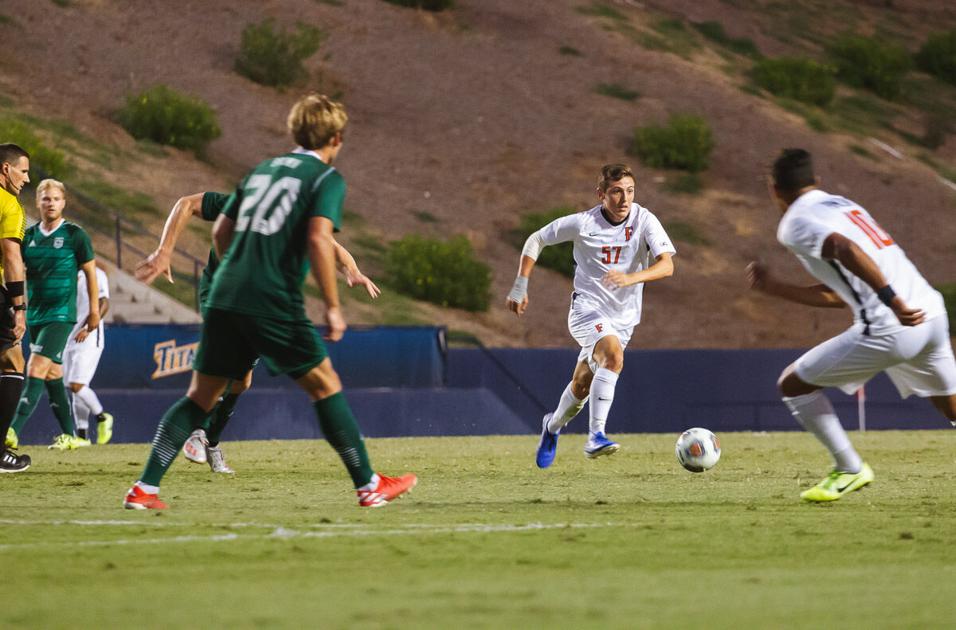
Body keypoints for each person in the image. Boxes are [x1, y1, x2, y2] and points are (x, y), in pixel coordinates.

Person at [123, 93, 416, 509]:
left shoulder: (262, 171)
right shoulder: (325, 178)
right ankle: (368, 484)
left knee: (200, 397)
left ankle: (145, 488)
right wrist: (332, 305)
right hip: (270, 298)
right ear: (336, 138)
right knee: (325, 385)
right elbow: (319, 238)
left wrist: (235, 273)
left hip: (224, 294)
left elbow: (220, 233)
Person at [747, 148, 956, 502]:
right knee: (951, 407)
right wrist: (774, 288)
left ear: (774, 190)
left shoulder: (794, 223)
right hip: (932, 314)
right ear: (817, 182)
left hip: (892, 324)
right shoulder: (845, 205)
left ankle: (849, 468)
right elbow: (840, 292)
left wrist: (893, 302)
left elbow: (845, 249)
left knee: (794, 385)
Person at [134, 190, 380, 474]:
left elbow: (330, 245)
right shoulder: (242, 202)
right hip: (221, 292)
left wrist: (351, 270)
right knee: (220, 374)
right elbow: (186, 203)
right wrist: (164, 251)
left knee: (241, 381)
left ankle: (209, 442)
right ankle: (194, 437)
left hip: (257, 299)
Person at [507, 163, 676, 468]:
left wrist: (631, 278)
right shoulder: (583, 224)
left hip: (624, 318)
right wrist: (521, 285)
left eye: (630, 191)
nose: (624, 199)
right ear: (601, 194)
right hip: (587, 308)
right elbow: (536, 239)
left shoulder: (644, 219)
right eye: (616, 192)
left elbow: (667, 265)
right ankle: (596, 436)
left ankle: (552, 426)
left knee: (582, 384)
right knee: (613, 357)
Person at [8, 179, 100, 450]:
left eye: (56, 199)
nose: (51, 203)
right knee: (52, 374)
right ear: (38, 202)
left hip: (61, 315)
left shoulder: (75, 235)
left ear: (64, 202)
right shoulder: (29, 236)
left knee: (35, 366)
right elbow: (14, 268)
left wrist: (94, 311)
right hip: (35, 314)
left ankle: (12, 431)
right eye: (46, 199)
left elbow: (91, 273)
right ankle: (71, 435)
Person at [0, 144, 31, 472]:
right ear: (6, 169)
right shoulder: (9, 205)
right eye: (22, 170)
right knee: (12, 362)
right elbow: (11, 256)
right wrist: (18, 306)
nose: (26, 178)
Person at [62, 263, 113, 444]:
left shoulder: (96, 273)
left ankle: (102, 417)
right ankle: (82, 436)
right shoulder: (66, 272)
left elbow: (104, 302)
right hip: (70, 338)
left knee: (77, 384)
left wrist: (89, 328)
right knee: (73, 387)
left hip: (89, 337)